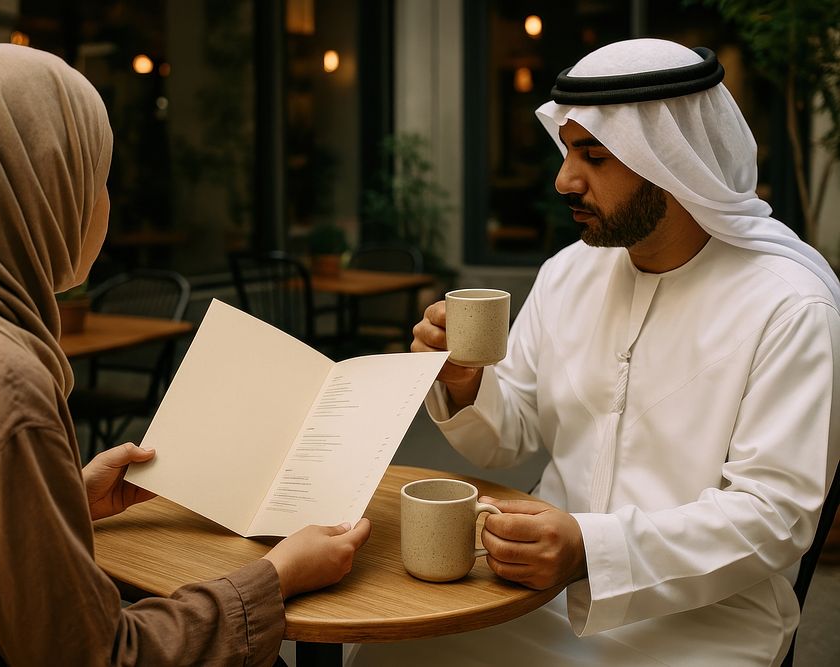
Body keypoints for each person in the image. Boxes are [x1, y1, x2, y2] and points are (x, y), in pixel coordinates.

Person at [0, 43, 370, 665]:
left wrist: (62, 499)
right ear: (40, 188)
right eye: (95, 177)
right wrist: (276, 578)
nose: (106, 203)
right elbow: (100, 656)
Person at [354, 38, 840, 665]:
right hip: (537, 593)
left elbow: (774, 518)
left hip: (704, 623)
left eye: (594, 155)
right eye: (567, 149)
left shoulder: (789, 305)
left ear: (671, 159)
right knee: (393, 648)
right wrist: (466, 380)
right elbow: (511, 435)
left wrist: (590, 546)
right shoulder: (569, 273)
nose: (564, 179)